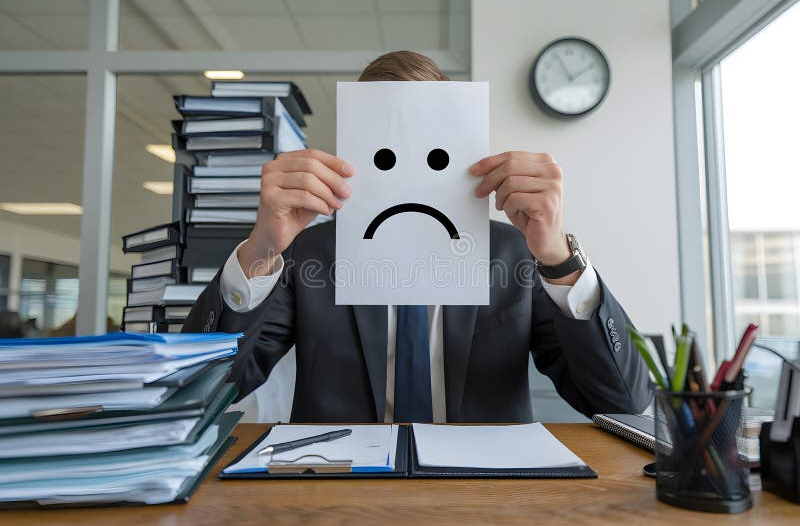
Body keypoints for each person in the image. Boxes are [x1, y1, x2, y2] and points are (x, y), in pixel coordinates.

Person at [184, 51, 651, 423]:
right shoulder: (310, 254)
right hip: (338, 491)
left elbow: (621, 402)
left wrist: (558, 258)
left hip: (483, 492)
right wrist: (260, 250)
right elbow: (203, 391)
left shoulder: (514, 253)